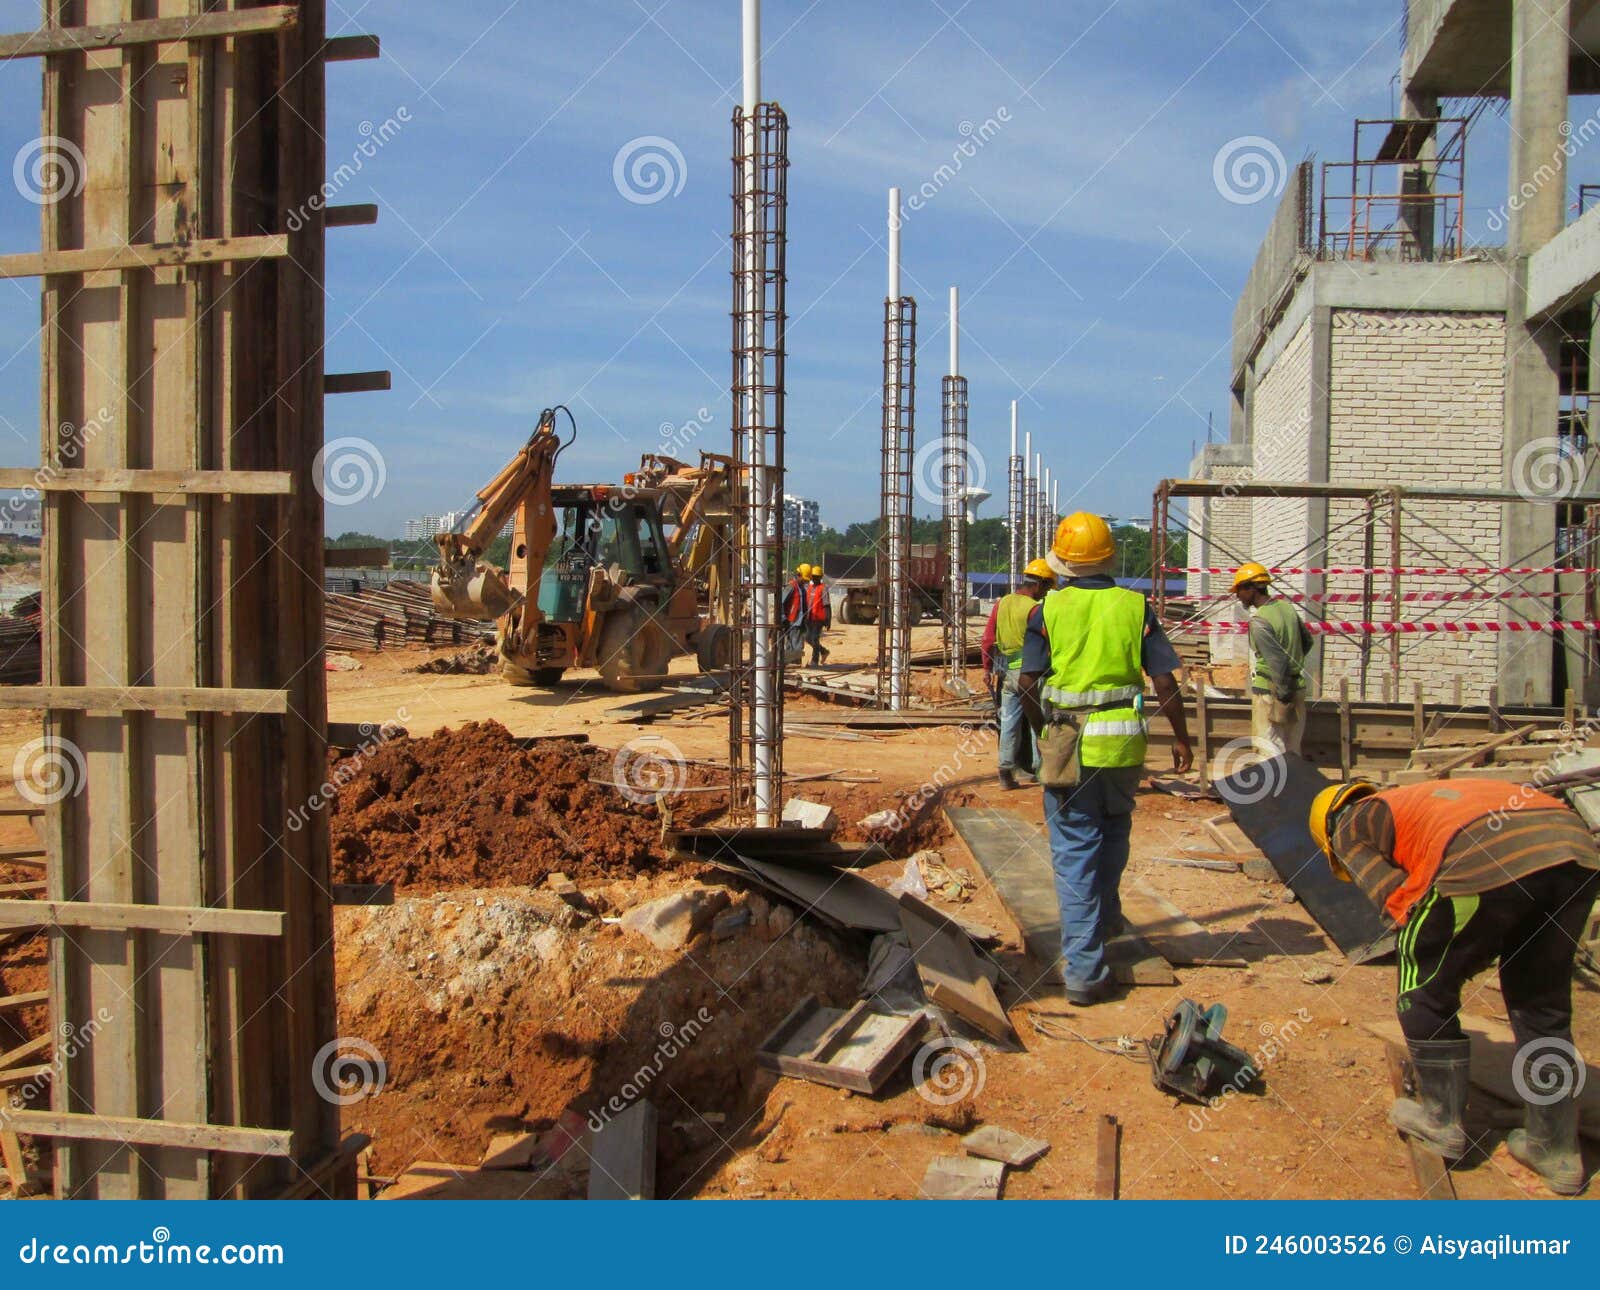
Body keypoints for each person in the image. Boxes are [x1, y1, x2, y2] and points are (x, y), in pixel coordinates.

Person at [1310, 777, 1600, 1194]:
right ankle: (1554, 1149)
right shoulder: (1418, 800)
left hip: (1484, 851)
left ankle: (1440, 1118)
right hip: (1573, 850)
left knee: (1420, 978)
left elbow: (1400, 904)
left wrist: (1450, 961)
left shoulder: (1349, 824)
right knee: (1541, 1002)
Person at [1018, 513, 1193, 1006]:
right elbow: (1164, 682)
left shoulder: (1046, 611)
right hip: (1124, 749)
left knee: (1075, 851)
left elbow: (1026, 683)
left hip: (1070, 747)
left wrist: (1039, 732)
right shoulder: (1136, 607)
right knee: (1114, 832)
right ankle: (1108, 922)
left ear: (1063, 563)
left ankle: (1085, 972)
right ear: (1108, 558)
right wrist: (1182, 740)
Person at [980, 559, 1055, 789]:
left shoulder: (1002, 603)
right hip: (1033, 672)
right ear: (1039, 584)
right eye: (1047, 587)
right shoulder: (1036, 609)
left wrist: (986, 669)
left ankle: (1005, 773)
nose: (1047, 592)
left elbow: (988, 639)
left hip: (1008, 673)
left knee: (1009, 722)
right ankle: (1042, 772)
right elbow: (1047, 642)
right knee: (1038, 721)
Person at [1232, 562, 1311, 757]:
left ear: (1252, 588)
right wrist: (1295, 664)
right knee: (1293, 750)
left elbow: (1276, 661)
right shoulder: (1287, 609)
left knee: (1269, 752)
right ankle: (1293, 787)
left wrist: (1283, 695)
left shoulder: (1260, 621)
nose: (1237, 595)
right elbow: (1307, 641)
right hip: (1297, 687)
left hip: (1272, 691)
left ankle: (1274, 788)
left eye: (1240, 589)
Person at [803, 566, 832, 667]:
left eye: (817, 576)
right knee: (808, 638)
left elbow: (827, 605)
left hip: (819, 619)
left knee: (815, 639)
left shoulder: (823, 588)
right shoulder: (810, 588)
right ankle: (823, 651)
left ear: (820, 577)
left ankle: (814, 661)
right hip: (809, 618)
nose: (815, 578)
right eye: (813, 576)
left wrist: (828, 620)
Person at [781, 564, 809, 661]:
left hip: (799, 621)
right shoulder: (791, 587)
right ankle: (794, 663)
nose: (805, 581)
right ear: (799, 575)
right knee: (794, 644)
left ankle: (793, 662)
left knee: (795, 644)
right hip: (792, 620)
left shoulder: (802, 589)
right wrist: (783, 618)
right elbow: (781, 602)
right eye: (804, 579)